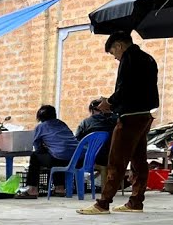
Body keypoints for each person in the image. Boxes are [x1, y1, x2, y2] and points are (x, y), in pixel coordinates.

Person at [79, 31, 159, 215]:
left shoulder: (128, 59)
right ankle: (136, 201)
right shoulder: (148, 59)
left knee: (116, 160)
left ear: (119, 46)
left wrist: (110, 102)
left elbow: (125, 89)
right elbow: (137, 88)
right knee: (139, 160)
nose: (115, 57)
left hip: (130, 116)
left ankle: (103, 203)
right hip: (145, 115)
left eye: (113, 53)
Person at [22, 105, 79, 198]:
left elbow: (37, 147)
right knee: (57, 156)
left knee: (35, 156)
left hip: (59, 157)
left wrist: (45, 148)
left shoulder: (40, 127)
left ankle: (32, 189)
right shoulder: (62, 124)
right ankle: (59, 189)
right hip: (75, 158)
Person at [75, 97, 117, 165]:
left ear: (92, 110)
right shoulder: (115, 121)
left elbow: (77, 139)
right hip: (112, 157)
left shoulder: (86, 122)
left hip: (90, 158)